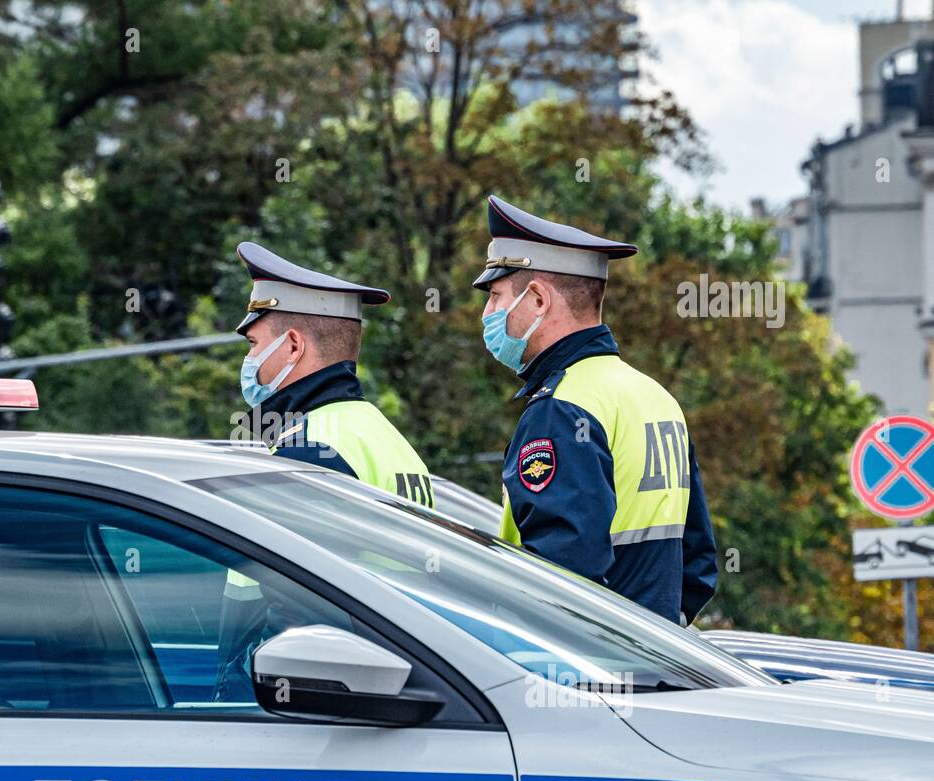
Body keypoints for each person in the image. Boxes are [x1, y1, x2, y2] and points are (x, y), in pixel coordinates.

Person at [473, 195, 718, 624]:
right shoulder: (654, 396)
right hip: (655, 666)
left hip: (581, 676)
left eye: (495, 296)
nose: (488, 313)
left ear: (537, 299)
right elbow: (697, 565)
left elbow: (561, 580)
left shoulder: (562, 410)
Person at [233, 241, 433, 506]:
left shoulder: (308, 449)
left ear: (293, 346)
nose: (250, 358)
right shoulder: (388, 437)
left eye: (254, 344)